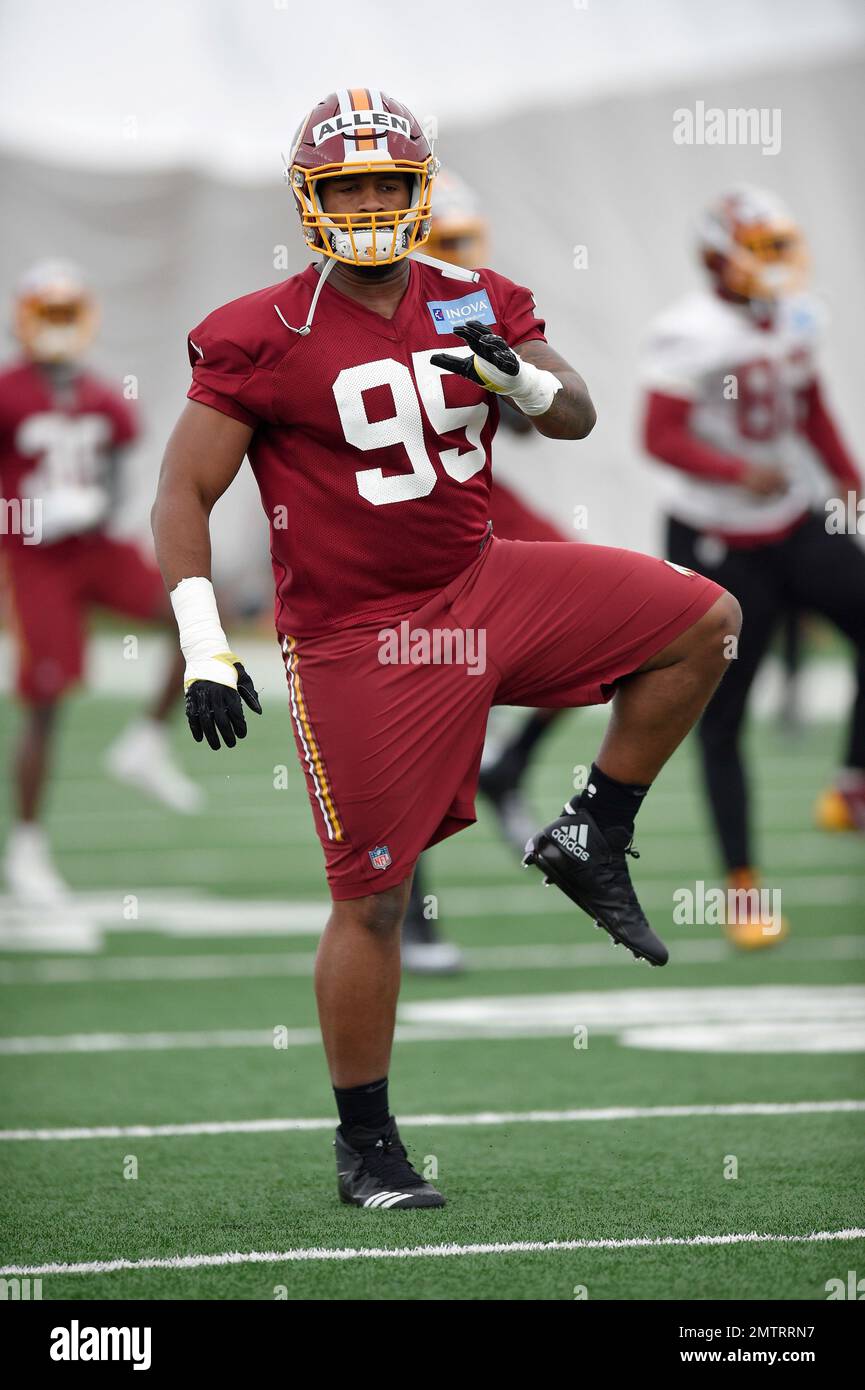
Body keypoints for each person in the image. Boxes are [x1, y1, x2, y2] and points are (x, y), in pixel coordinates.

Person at [152, 89, 738, 1209]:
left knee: (701, 621)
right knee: (373, 897)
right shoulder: (259, 329)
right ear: (310, 200)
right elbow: (184, 486)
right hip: (357, 634)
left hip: (483, 580)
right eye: (347, 186)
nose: (370, 203)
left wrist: (514, 379)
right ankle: (365, 1145)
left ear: (419, 190)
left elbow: (573, 413)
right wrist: (202, 643)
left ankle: (590, 831)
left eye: (387, 183)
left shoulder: (476, 292)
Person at [641, 186, 865, 948]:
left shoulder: (799, 316)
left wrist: (847, 480)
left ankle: (850, 786)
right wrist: (735, 474)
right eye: (760, 250)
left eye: (778, 248)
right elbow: (659, 437)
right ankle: (741, 888)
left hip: (790, 515)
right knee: (722, 714)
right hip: (716, 536)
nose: (775, 265)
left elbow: (809, 406)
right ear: (717, 256)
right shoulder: (687, 332)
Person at [402, 168, 572, 974]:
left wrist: (509, 379)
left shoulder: (470, 301)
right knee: (411, 716)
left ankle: (508, 766)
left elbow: (538, 428)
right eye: (445, 247)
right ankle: (409, 908)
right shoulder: (342, 312)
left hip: (473, 496)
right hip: (389, 526)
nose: (456, 267)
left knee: (608, 616)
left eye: (465, 248)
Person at [0, 261, 202, 909]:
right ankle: (27, 846)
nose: (58, 329)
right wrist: (33, 515)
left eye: (67, 315)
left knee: (198, 616)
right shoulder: (7, 392)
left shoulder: (102, 396)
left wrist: (92, 508)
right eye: (49, 315)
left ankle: (145, 744)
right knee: (47, 701)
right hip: (32, 557)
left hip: (93, 549)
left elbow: (115, 487)